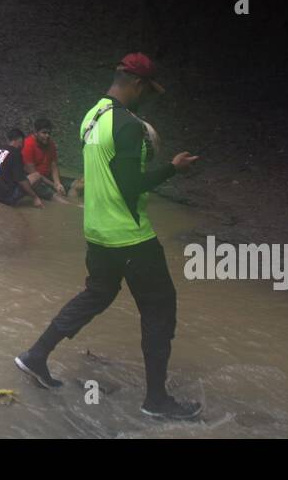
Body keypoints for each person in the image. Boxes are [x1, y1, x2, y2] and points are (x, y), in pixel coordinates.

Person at [15, 53, 202, 419]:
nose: (148, 96)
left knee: (97, 294)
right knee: (160, 309)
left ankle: (35, 356)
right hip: (130, 237)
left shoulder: (93, 115)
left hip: (97, 231)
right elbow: (132, 185)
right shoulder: (129, 126)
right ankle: (156, 401)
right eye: (148, 89)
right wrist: (172, 169)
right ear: (136, 84)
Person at [0, 127, 45, 208]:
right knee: (37, 176)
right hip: (5, 198)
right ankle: (33, 197)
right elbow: (21, 180)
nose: (23, 145)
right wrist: (35, 198)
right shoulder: (16, 153)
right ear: (20, 140)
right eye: (23, 142)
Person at [22, 117, 76, 202]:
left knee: (77, 185)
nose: (47, 136)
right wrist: (54, 185)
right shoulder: (27, 145)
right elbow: (34, 174)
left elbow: (53, 165)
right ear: (36, 132)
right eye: (44, 133)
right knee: (61, 200)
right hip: (36, 181)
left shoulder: (50, 143)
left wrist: (58, 183)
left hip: (49, 177)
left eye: (49, 133)